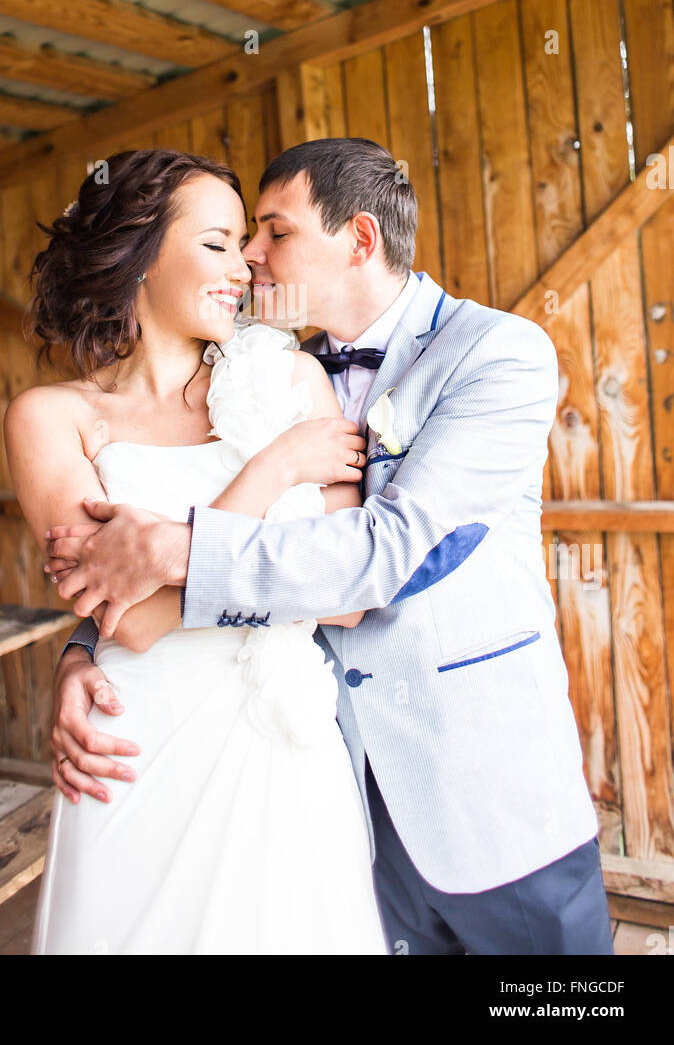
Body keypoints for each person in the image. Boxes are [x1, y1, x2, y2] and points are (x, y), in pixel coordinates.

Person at [49, 137, 614, 957]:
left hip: (486, 788)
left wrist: (175, 549)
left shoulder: (497, 353)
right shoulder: (276, 374)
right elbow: (140, 536)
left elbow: (386, 554)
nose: (250, 255)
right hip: (334, 783)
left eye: (274, 232)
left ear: (358, 239)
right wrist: (84, 649)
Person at [4, 146, 387, 954]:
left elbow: (346, 593)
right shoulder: (52, 418)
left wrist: (166, 564)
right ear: (141, 255)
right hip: (135, 743)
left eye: (244, 243)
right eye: (217, 243)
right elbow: (132, 626)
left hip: (280, 744)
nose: (243, 269)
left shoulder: (294, 384)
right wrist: (272, 469)